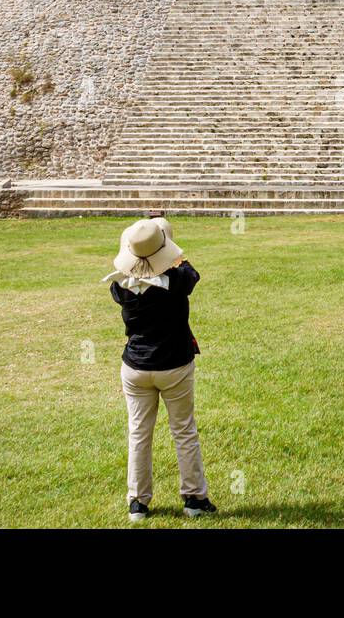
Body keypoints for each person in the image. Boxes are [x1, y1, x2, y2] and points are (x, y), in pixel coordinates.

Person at [102, 215, 216, 521]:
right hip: (174, 364)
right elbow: (189, 271)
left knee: (139, 433)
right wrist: (167, 245)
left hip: (136, 366)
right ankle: (194, 498)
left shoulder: (121, 285)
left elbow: (132, 273)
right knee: (184, 432)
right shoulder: (177, 281)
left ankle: (138, 502)